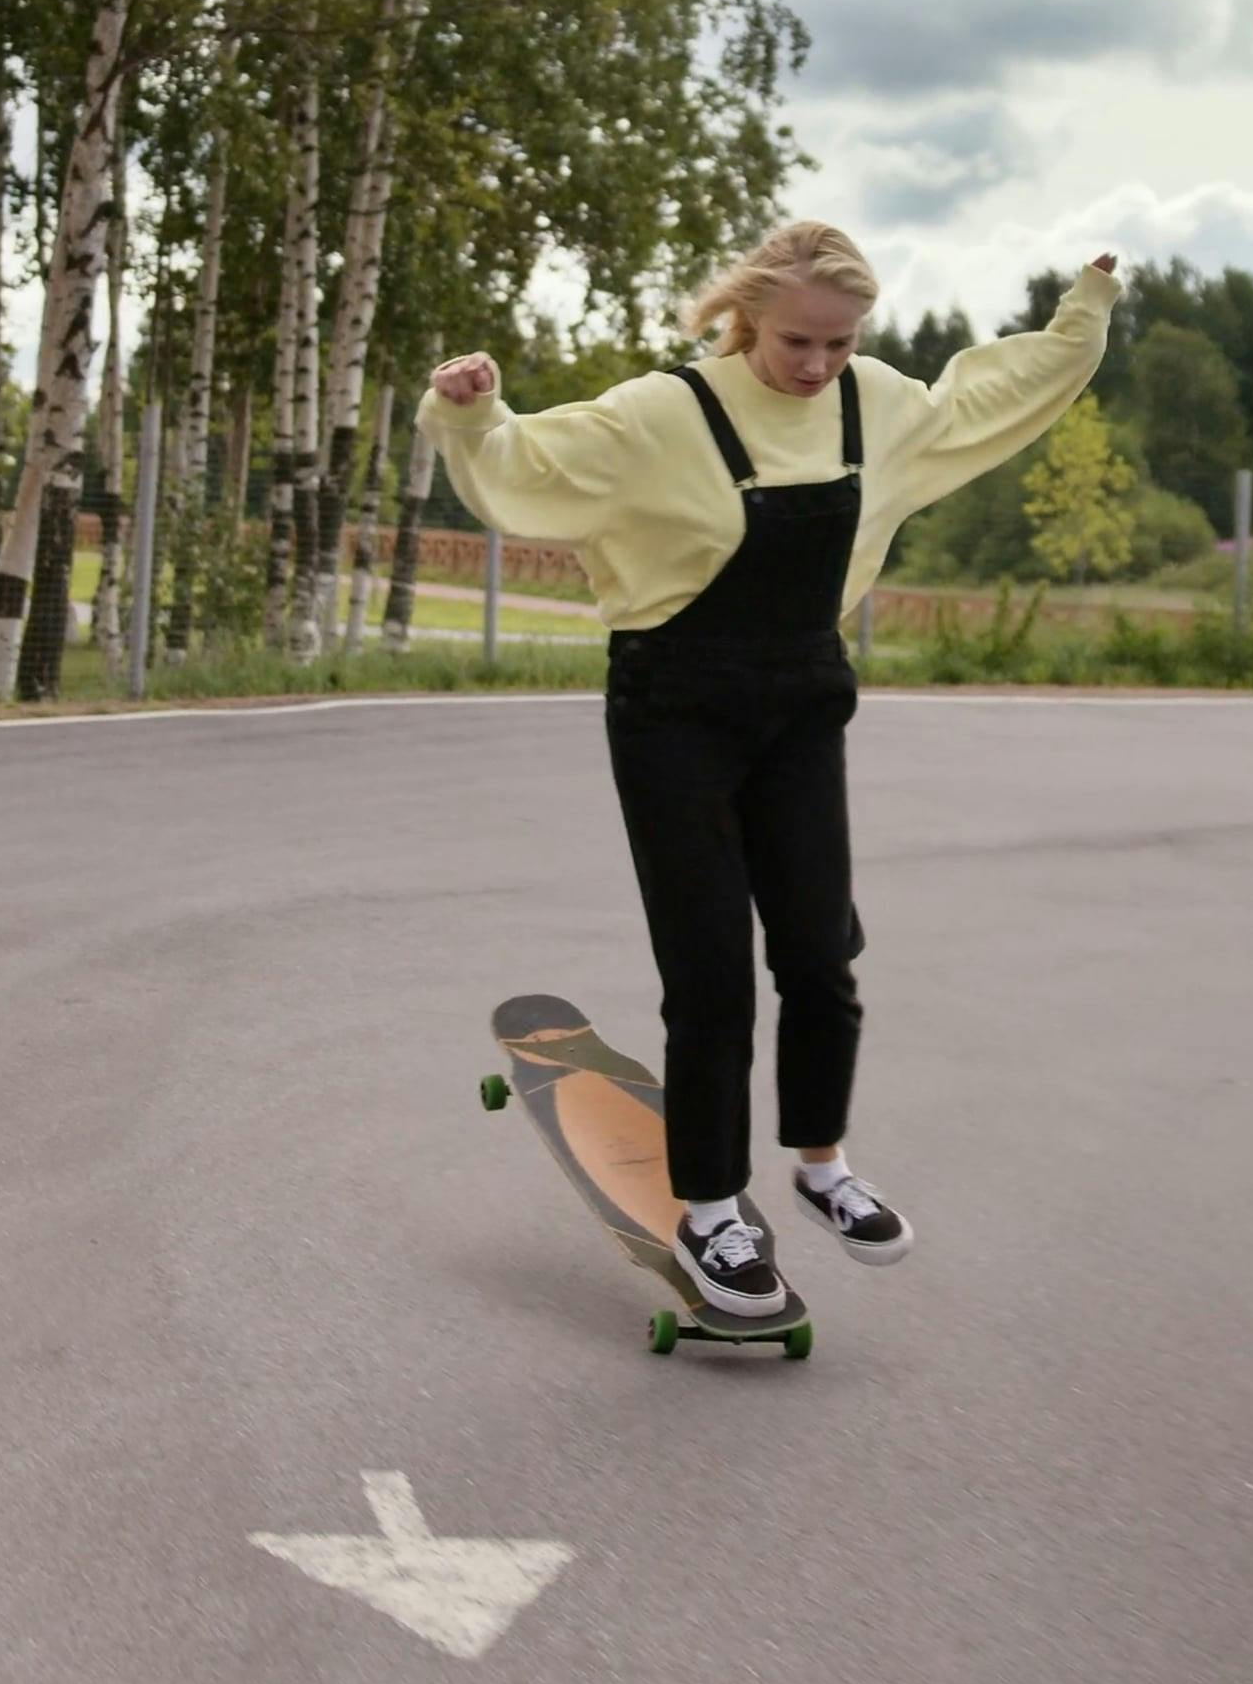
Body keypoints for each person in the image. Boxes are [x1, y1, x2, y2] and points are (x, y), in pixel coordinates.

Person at [424, 221, 1122, 1314]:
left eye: (840, 345)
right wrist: (471, 410)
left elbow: (991, 399)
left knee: (819, 957)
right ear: (748, 318)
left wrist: (1084, 315)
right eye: (799, 342)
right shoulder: (666, 413)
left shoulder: (876, 405)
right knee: (711, 979)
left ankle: (823, 1169)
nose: (818, 366)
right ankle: (710, 1216)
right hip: (673, 709)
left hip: (801, 703)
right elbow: (531, 467)